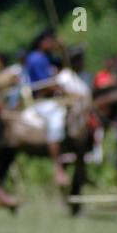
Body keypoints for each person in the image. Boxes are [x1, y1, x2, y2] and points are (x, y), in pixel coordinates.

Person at [24, 28, 71, 189]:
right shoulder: (36, 59)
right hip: (43, 102)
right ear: (42, 42)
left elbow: (67, 68)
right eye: (50, 41)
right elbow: (46, 85)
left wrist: (63, 50)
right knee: (56, 121)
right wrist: (62, 89)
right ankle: (57, 167)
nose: (52, 44)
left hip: (58, 99)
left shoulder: (50, 58)